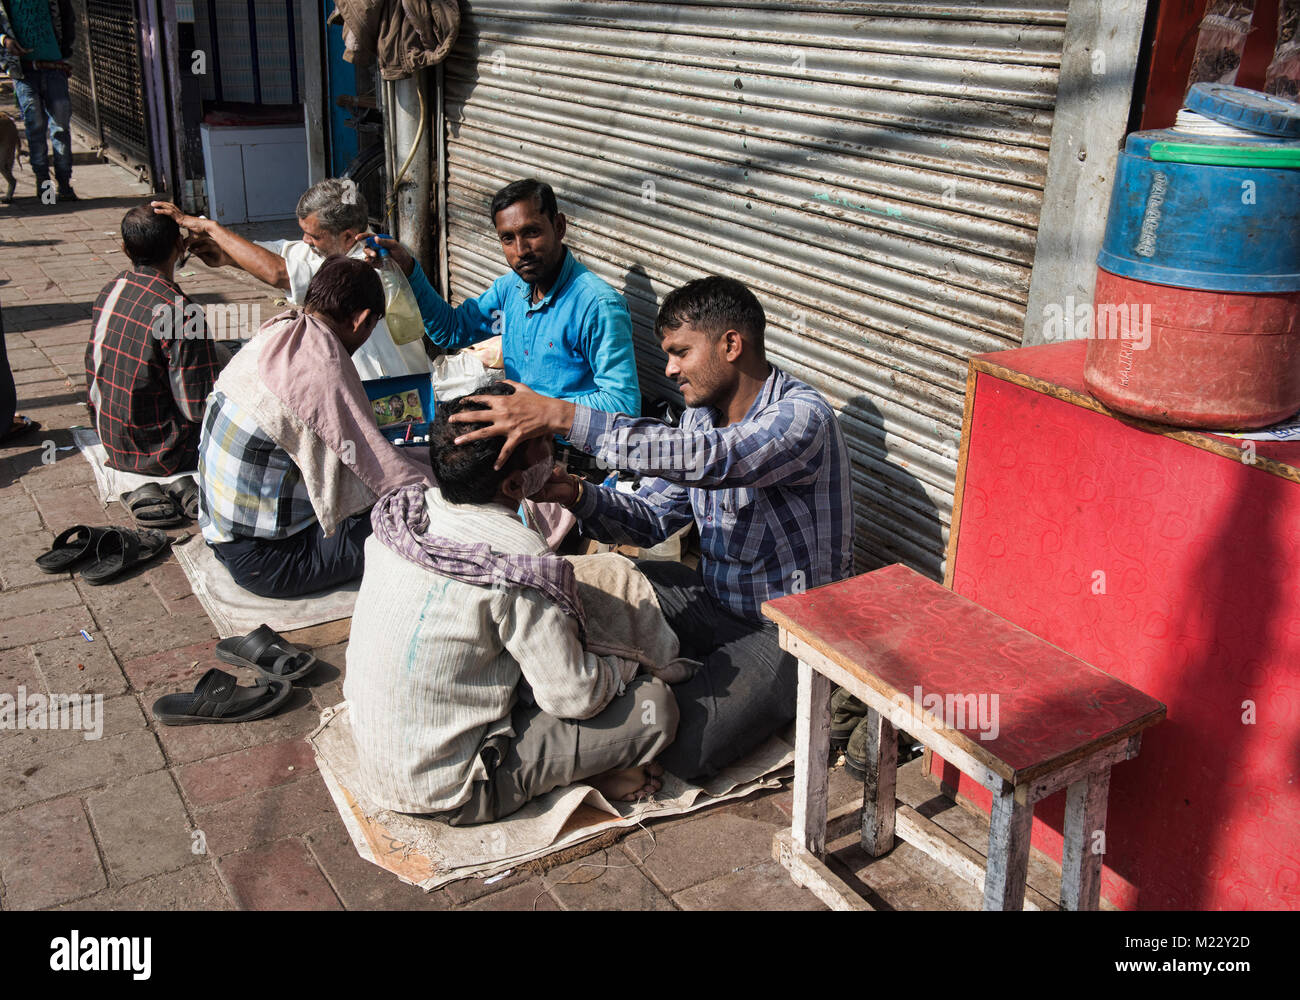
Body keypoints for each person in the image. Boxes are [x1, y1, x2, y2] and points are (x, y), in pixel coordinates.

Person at [448, 275, 855, 781]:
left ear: (731, 345)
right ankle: (661, 676)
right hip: (713, 599)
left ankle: (682, 690)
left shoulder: (801, 418)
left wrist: (560, 416)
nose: (670, 370)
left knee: (683, 746)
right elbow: (654, 519)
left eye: (681, 353)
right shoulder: (700, 419)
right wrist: (575, 494)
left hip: (790, 634)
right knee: (578, 598)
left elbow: (712, 460)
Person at [345, 381, 678, 822]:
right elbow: (573, 696)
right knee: (654, 707)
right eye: (542, 439)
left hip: (384, 757)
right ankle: (577, 777)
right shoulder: (518, 562)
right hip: (451, 789)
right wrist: (629, 666)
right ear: (517, 482)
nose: (554, 445)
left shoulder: (407, 513)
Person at [198, 256, 425, 598]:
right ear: (362, 320)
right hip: (270, 562)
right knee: (416, 518)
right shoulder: (323, 369)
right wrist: (441, 494)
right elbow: (381, 471)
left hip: (221, 533)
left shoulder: (279, 331)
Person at [374, 178, 641, 438]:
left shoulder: (598, 306)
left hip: (573, 458)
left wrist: (537, 410)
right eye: (507, 239)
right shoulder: (512, 289)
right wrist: (408, 268)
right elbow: (451, 330)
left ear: (559, 227)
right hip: (521, 441)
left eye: (531, 232)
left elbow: (623, 407)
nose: (521, 250)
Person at [150, 179, 429, 379]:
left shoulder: (367, 265)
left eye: (314, 236)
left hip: (389, 384)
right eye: (303, 232)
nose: (306, 241)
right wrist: (225, 255)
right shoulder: (329, 247)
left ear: (347, 236)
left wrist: (211, 227)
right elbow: (276, 255)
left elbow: (279, 272)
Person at [83, 205, 226, 475]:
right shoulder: (181, 314)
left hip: (112, 439)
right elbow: (198, 409)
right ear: (179, 246)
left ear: (125, 249)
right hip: (163, 453)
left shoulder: (113, 288)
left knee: (215, 354)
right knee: (230, 368)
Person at [0, 0, 77, 201]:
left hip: (54, 68)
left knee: (60, 127)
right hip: (24, 72)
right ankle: (46, 190)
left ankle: (65, 185)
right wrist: (4, 40)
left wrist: (64, 51)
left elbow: (67, 18)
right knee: (36, 129)